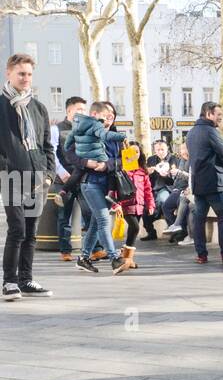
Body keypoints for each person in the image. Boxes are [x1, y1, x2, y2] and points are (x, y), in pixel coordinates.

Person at [0, 52, 55, 299]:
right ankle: (9, 282)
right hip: (11, 178)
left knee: (31, 232)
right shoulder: (1, 106)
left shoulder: (38, 107)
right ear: (9, 73)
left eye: (29, 74)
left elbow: (47, 145)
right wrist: (6, 167)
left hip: (38, 179)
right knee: (17, 229)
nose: (26, 78)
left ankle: (26, 280)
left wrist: (49, 175)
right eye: (21, 73)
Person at [68, 101, 128, 274]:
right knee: (103, 220)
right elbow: (70, 154)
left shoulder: (115, 137)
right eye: (106, 116)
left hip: (109, 185)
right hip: (90, 183)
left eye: (112, 116)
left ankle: (83, 258)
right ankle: (114, 258)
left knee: (95, 223)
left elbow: (123, 161)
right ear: (95, 115)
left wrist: (107, 165)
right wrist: (88, 162)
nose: (109, 119)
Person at [187, 101, 223, 265]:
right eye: (218, 115)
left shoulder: (191, 133)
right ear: (208, 114)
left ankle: (201, 254)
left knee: (199, 219)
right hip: (215, 182)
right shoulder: (211, 131)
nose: (220, 118)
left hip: (198, 184)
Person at [54, 95, 88, 261]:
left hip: (83, 178)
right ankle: (65, 251)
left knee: (89, 213)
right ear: (69, 110)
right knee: (64, 217)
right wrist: (61, 172)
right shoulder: (56, 129)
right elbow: (52, 154)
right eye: (79, 109)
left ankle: (94, 249)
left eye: (84, 109)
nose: (82, 112)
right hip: (64, 179)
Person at [116, 141, 156, 270]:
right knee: (135, 227)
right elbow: (115, 189)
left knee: (132, 232)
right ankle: (126, 258)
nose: (135, 154)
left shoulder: (142, 171)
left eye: (137, 152)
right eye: (132, 151)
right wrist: (115, 205)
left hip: (139, 205)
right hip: (126, 205)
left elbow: (148, 190)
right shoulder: (122, 170)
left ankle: (127, 257)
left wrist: (150, 205)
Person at [143, 139, 178, 239]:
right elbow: (147, 176)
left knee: (162, 201)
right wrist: (149, 172)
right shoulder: (151, 159)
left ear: (167, 148)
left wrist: (167, 175)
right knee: (144, 208)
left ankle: (174, 231)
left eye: (162, 149)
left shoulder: (173, 159)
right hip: (153, 189)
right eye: (158, 150)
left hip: (167, 188)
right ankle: (151, 232)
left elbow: (175, 179)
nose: (160, 152)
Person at [163, 143, 191, 242]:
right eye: (181, 149)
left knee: (181, 204)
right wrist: (170, 174)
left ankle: (183, 230)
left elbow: (193, 177)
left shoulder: (193, 161)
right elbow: (177, 177)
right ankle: (177, 229)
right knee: (166, 206)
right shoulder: (181, 161)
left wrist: (179, 173)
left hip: (186, 190)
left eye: (185, 149)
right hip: (176, 189)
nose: (182, 152)